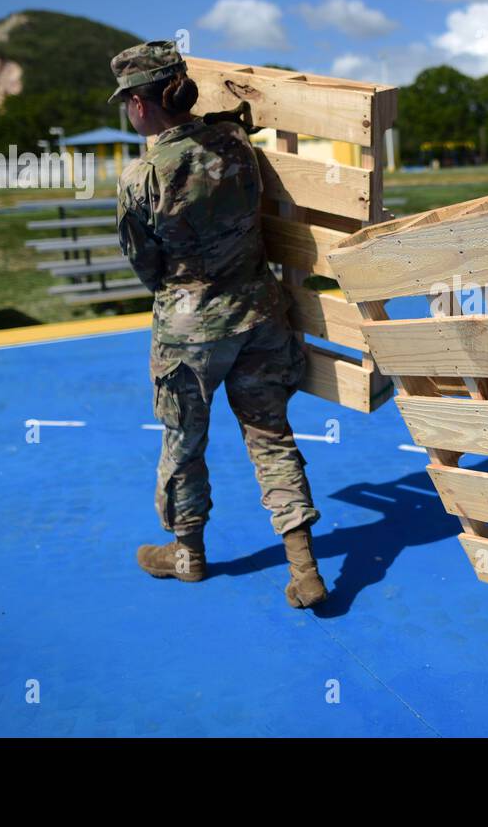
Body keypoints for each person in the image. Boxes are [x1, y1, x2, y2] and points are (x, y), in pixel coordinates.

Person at [109, 40, 327, 609]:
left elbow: (146, 266)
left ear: (138, 104)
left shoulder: (141, 178)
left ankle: (188, 557)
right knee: (271, 435)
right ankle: (304, 568)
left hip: (190, 330)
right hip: (260, 313)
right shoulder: (234, 143)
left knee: (184, 443)